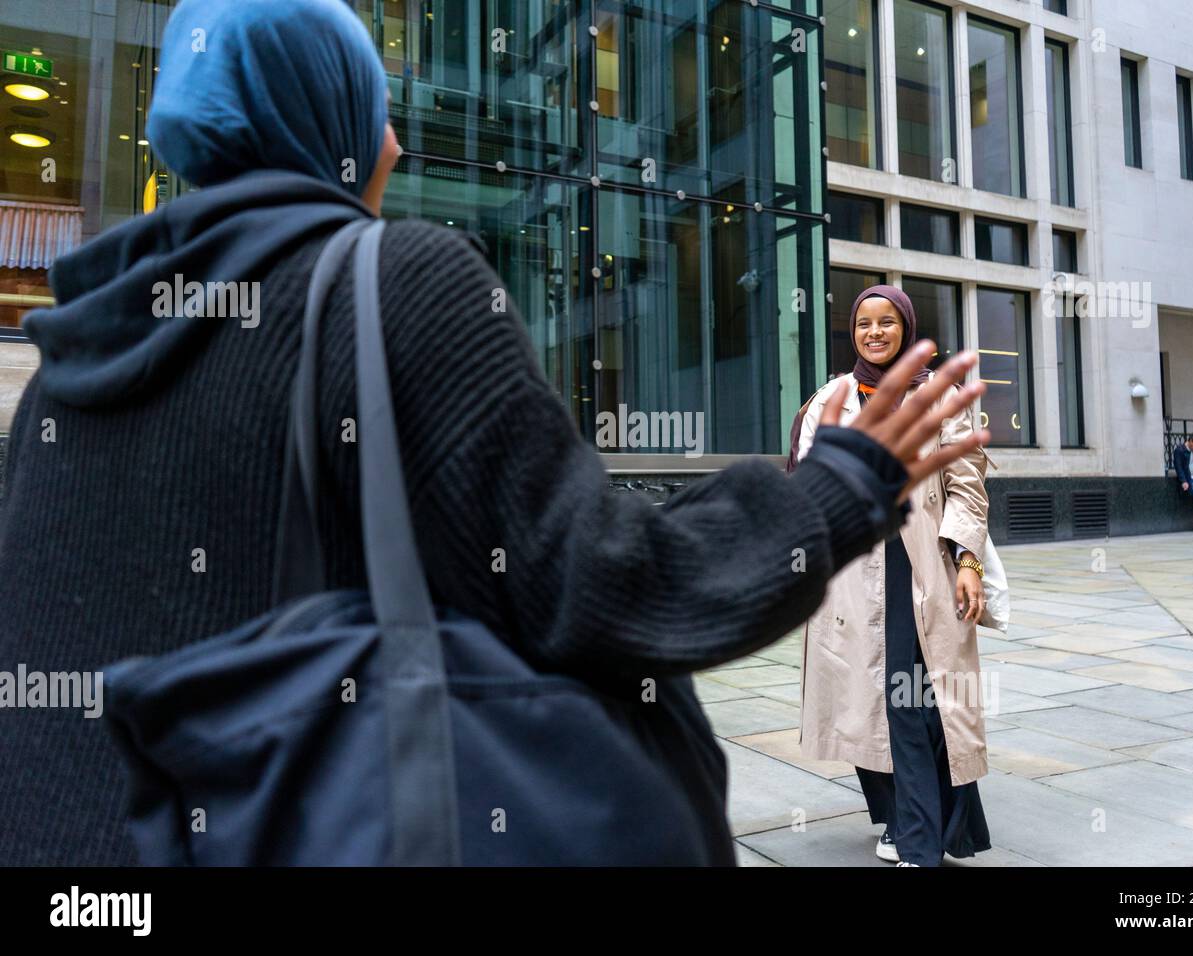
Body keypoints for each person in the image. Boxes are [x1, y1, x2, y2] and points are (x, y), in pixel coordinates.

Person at [0, 0, 988, 865]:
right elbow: (612, 588)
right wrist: (844, 482)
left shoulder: (70, 366)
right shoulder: (394, 282)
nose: (391, 142)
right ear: (323, 124)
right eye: (370, 106)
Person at [795, 286, 993, 868]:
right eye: (863, 323)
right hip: (850, 574)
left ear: (905, 329)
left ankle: (918, 842)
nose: (875, 332)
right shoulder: (831, 397)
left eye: (887, 323)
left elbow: (967, 488)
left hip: (919, 567)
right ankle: (897, 818)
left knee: (911, 702)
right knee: (862, 700)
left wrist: (968, 563)